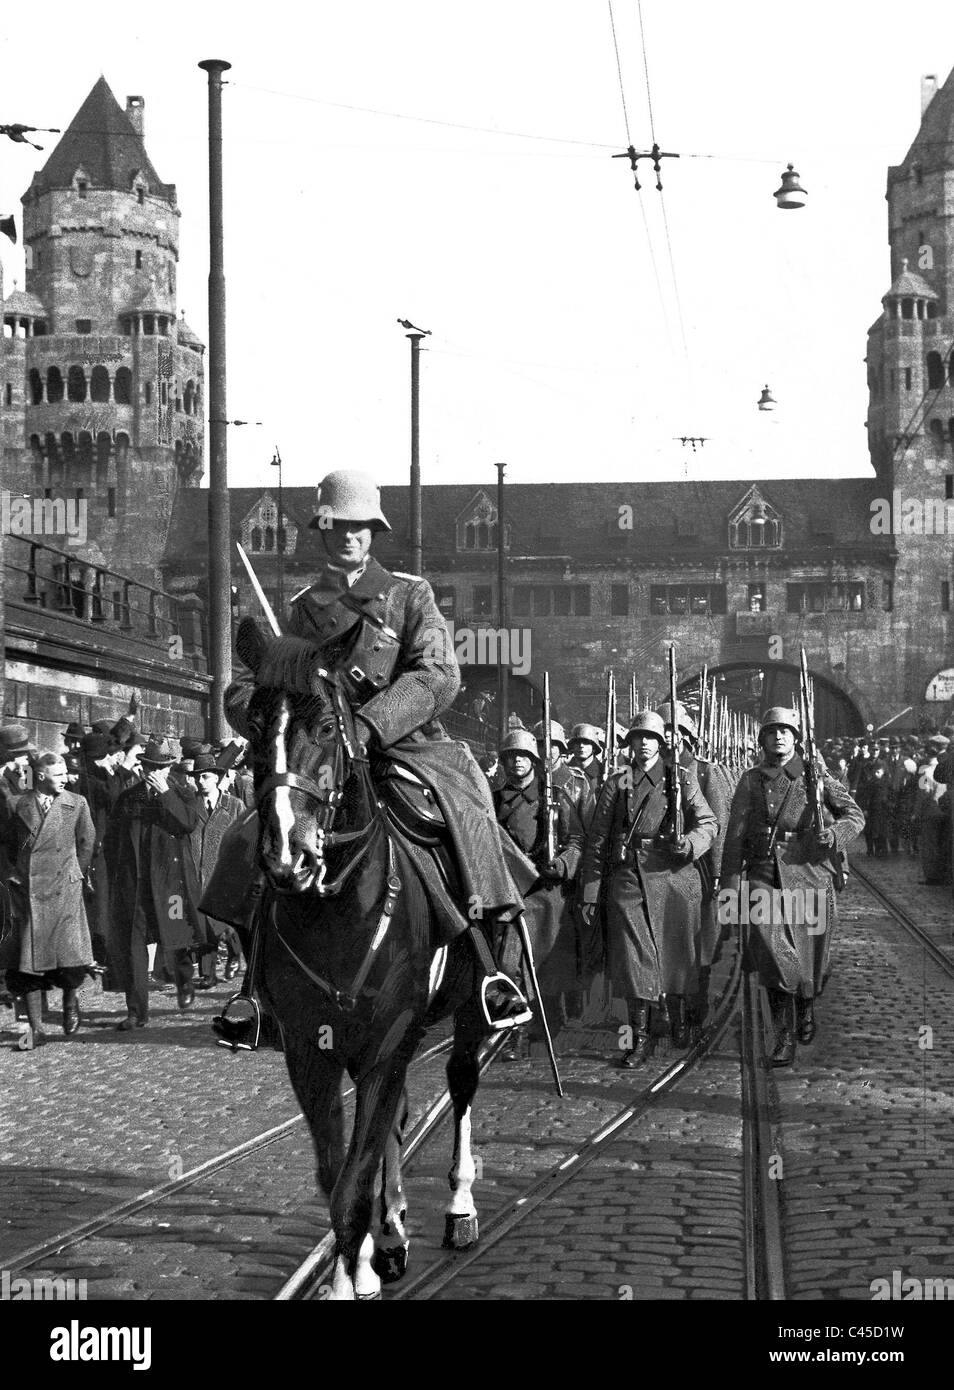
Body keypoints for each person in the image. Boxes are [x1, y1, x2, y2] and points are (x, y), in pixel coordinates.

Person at [221, 467, 530, 1031]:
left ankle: (491, 966)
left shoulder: (410, 594)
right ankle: (254, 987)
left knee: (465, 809)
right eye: (338, 525)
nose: (349, 535)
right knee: (249, 834)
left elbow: (438, 674)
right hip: (319, 753)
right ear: (322, 529)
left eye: (359, 526)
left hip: (403, 745)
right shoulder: (300, 609)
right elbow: (246, 687)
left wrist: (367, 724)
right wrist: (268, 714)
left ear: (374, 532)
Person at [721, 707, 865, 1068]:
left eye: (785, 731)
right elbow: (735, 835)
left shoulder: (815, 775)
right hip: (764, 874)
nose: (779, 737)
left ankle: (806, 1006)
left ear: (796, 739)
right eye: (772, 732)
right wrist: (729, 888)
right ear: (763, 739)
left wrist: (833, 836)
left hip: (810, 871)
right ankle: (782, 1036)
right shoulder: (751, 780)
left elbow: (854, 815)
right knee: (773, 954)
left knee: (811, 954)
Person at [578, 711, 718, 1068]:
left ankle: (677, 1017)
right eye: (638, 737)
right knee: (633, 957)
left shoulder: (680, 777)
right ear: (630, 743)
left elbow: (708, 822)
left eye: (651, 737)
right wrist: (592, 891)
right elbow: (598, 839)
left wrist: (690, 843)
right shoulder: (619, 781)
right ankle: (639, 1037)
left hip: (674, 875)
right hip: (629, 877)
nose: (644, 743)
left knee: (677, 953)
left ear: (661, 742)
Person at [493, 728, 586, 1056]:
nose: (517, 761)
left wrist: (561, 864)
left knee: (546, 964)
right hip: (508, 890)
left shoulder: (555, 797)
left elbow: (576, 841)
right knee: (509, 963)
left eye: (523, 756)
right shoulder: (494, 800)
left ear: (534, 760)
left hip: (545, 892)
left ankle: (549, 1011)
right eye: (511, 756)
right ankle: (516, 1031)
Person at [104, 737, 201, 1029]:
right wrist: (118, 876)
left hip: (171, 884)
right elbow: (112, 840)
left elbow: (186, 824)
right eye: (150, 767)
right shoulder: (128, 797)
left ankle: (184, 980)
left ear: (169, 768)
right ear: (143, 768)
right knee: (133, 946)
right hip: (136, 885)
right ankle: (136, 1011)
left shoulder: (183, 793)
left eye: (161, 768)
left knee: (177, 936)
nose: (155, 773)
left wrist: (166, 794)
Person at [2, 753, 95, 1050]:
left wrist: (75, 874)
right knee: (28, 964)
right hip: (28, 891)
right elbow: (7, 844)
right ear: (40, 777)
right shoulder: (18, 804)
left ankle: (70, 1002)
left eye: (66, 773)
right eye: (58, 774)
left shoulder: (77, 803)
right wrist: (13, 874)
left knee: (70, 960)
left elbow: (87, 842)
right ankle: (36, 1029)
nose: (65, 778)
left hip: (64, 890)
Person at [184, 752, 246, 987]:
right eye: (197, 777)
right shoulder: (191, 806)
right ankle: (207, 975)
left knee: (223, 924)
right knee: (203, 925)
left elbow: (246, 838)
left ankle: (234, 951)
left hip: (225, 874)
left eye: (206, 777)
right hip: (198, 873)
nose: (200, 782)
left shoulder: (234, 806)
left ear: (217, 778)